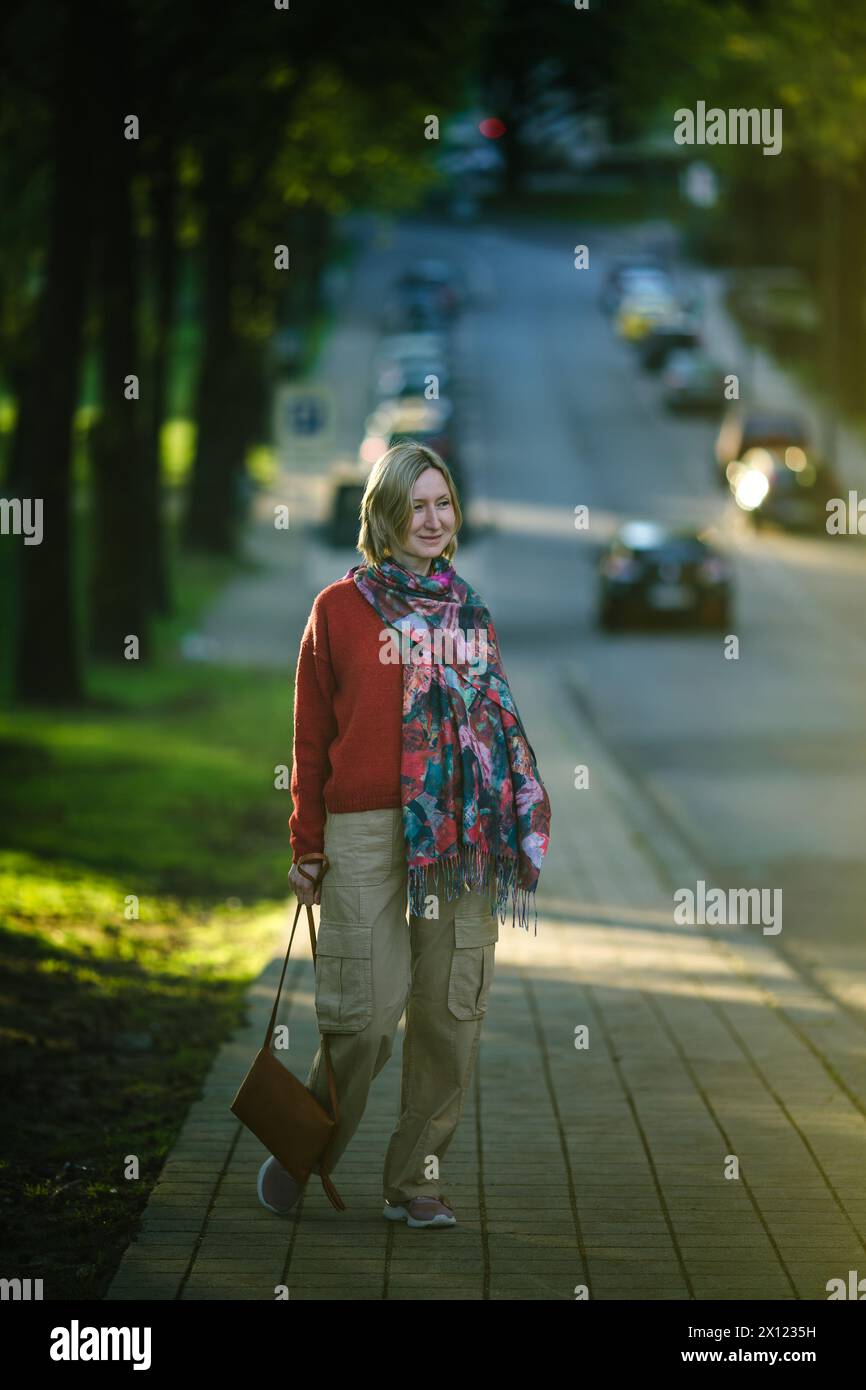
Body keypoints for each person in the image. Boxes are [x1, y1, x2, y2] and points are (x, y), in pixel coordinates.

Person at [257, 441, 551, 1228]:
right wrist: (307, 844)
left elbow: (494, 727)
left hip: (458, 842)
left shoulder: (471, 613)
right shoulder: (338, 610)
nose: (432, 519)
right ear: (383, 518)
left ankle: (416, 1181)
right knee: (362, 1016)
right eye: (414, 506)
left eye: (442, 504)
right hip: (362, 833)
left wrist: (510, 813)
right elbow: (310, 740)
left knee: (451, 1017)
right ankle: (306, 1140)